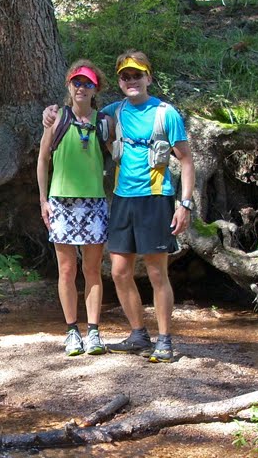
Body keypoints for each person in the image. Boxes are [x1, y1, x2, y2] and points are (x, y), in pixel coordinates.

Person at [43, 50, 195, 362]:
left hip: (156, 198)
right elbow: (83, 111)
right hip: (123, 199)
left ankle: (164, 340)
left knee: (156, 271)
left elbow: (187, 160)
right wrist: (50, 113)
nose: (131, 80)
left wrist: (185, 204)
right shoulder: (115, 111)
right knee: (121, 271)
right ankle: (139, 334)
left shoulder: (166, 114)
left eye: (137, 75)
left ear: (148, 78)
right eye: (125, 76)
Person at [36, 60, 115, 357]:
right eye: (77, 83)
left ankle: (93, 332)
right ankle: (72, 332)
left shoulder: (104, 122)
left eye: (88, 84)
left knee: (92, 270)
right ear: (69, 86)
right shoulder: (56, 119)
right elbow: (43, 160)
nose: (81, 88)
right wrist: (43, 200)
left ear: (96, 89)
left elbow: (118, 155)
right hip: (61, 203)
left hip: (94, 203)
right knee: (66, 271)